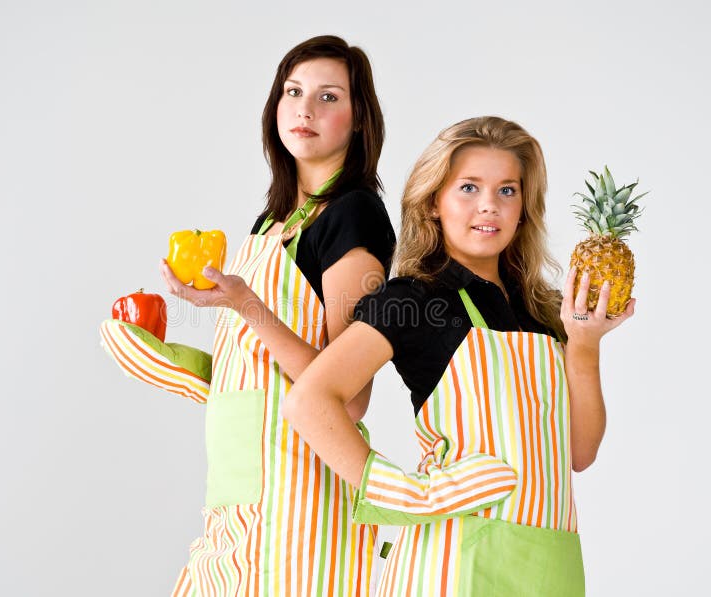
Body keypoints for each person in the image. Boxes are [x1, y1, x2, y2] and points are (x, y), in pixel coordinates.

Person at [283, 116, 635, 596]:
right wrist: (408, 495)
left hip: (548, 568)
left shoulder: (548, 313)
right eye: (469, 188)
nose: (489, 206)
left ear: (523, 208)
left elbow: (578, 452)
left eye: (507, 191)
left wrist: (586, 344)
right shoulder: (411, 300)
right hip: (450, 567)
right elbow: (309, 399)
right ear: (433, 202)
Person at [100, 35, 395, 596]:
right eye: (293, 91)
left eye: (329, 96)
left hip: (299, 512)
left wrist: (246, 305)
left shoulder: (353, 217)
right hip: (239, 502)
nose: (305, 108)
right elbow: (254, 377)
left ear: (360, 122)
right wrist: (163, 355)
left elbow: (351, 393)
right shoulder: (273, 221)